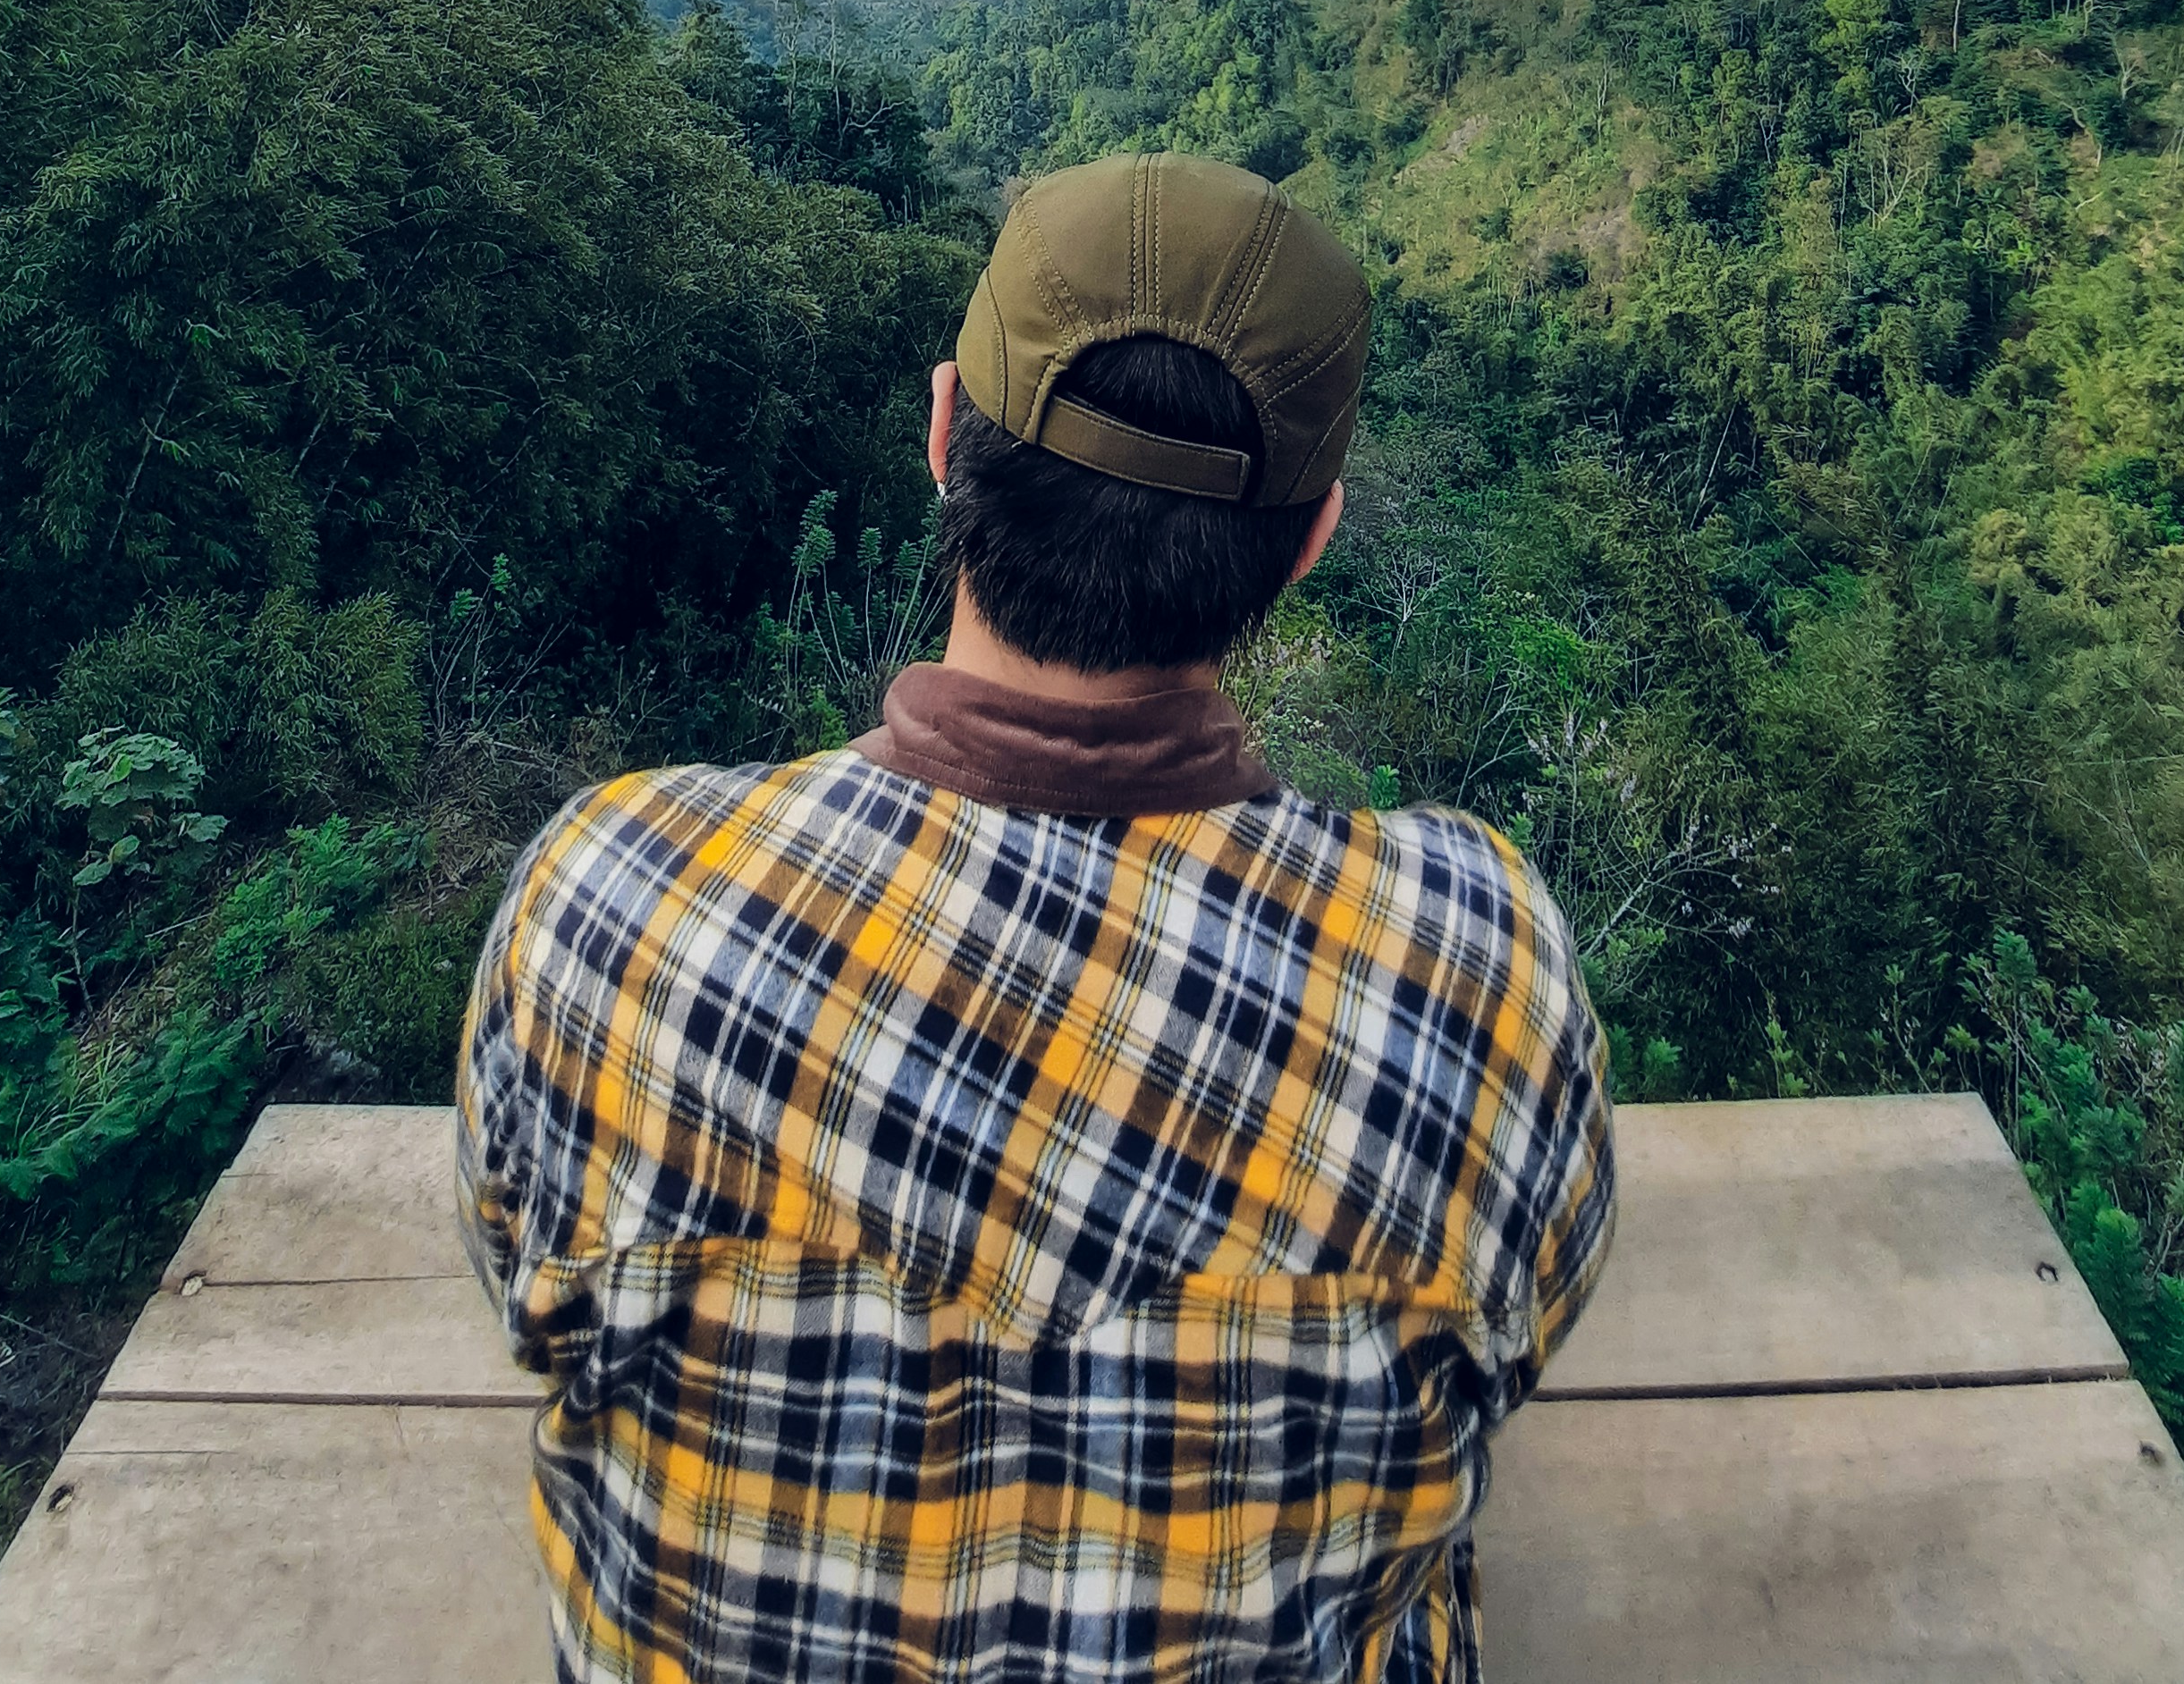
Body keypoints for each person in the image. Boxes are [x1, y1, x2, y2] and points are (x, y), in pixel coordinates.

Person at [459, 151, 1614, 1684]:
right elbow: (1518, 1339)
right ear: (1314, 534)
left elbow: (521, 1287)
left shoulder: (603, 909)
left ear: (945, 434)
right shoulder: (1482, 969)